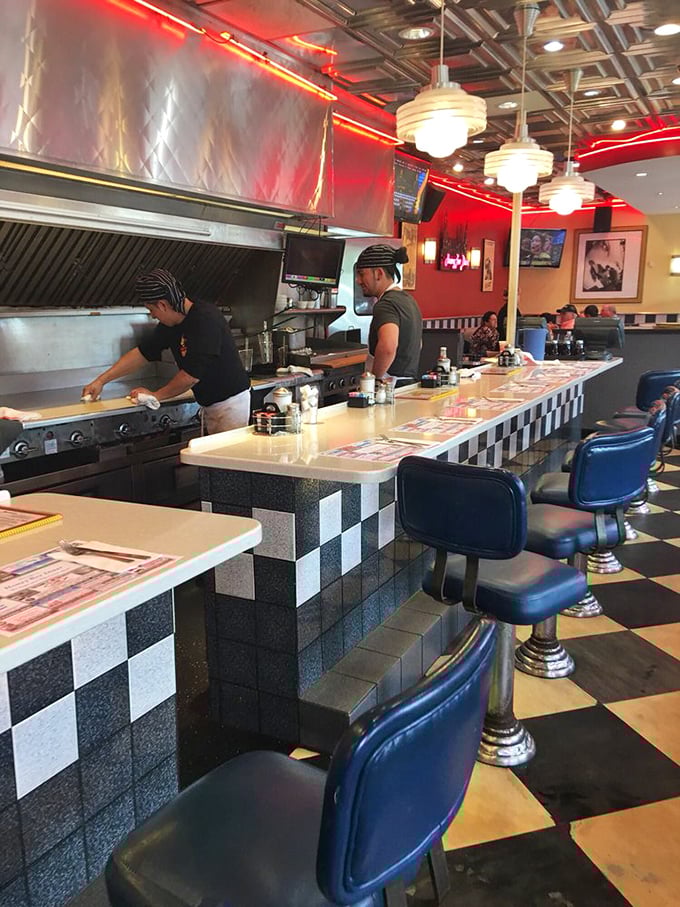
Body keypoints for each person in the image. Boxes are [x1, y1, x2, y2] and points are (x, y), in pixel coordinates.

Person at [82, 269, 251, 434]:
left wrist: (155, 395)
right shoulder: (171, 324)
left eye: (151, 310)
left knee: (224, 462)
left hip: (231, 405)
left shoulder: (205, 320)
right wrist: (101, 381)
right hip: (210, 404)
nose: (153, 316)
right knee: (211, 461)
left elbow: (190, 376)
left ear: (162, 305)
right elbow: (143, 353)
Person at [355, 245, 422, 380]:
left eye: (362, 274)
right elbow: (418, 344)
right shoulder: (409, 301)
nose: (358, 280)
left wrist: (374, 379)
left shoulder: (385, 305)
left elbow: (388, 347)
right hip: (409, 384)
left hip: (389, 386)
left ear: (379, 273)